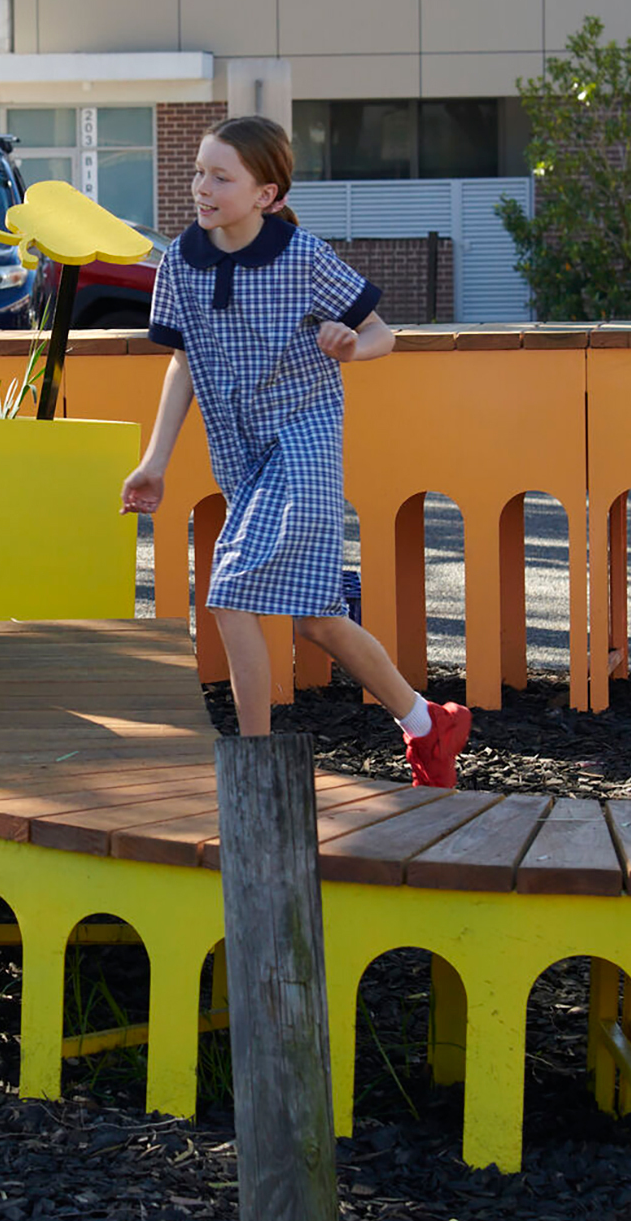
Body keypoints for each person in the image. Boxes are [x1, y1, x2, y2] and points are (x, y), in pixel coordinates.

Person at [119, 115, 473, 788]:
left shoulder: (301, 256)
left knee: (228, 590)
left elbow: (381, 334)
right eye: (199, 171)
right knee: (316, 618)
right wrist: (155, 460)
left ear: (267, 195)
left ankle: (253, 761)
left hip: (304, 443)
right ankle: (429, 722)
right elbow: (184, 363)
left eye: (221, 176)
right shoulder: (180, 264)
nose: (202, 186)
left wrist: (351, 346)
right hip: (244, 456)